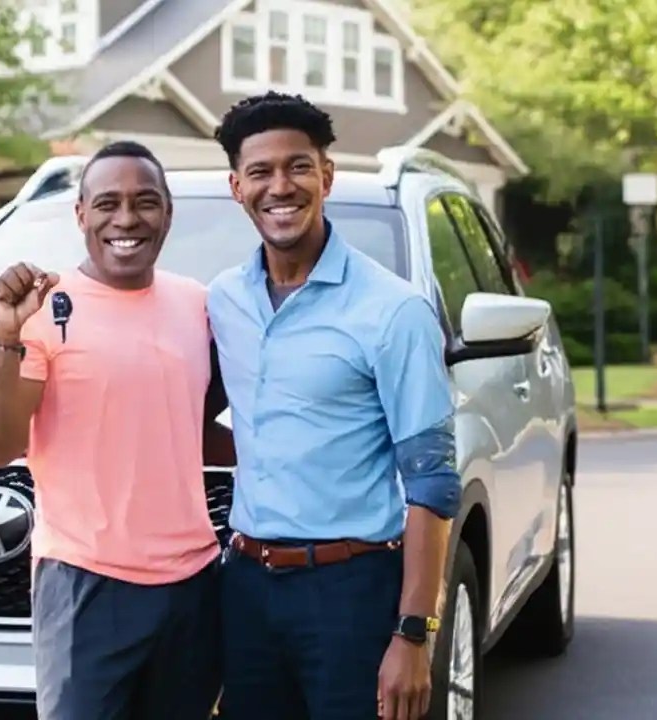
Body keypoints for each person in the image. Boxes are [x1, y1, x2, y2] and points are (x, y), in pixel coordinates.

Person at [206, 92, 462, 720]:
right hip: (245, 587)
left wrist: (413, 632)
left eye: (297, 166)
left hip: (352, 591)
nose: (280, 186)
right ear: (237, 187)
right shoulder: (223, 300)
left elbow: (431, 482)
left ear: (326, 175)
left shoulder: (392, 310)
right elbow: (189, 418)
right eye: (260, 172)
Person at [0, 140, 233, 720]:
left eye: (146, 202)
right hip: (85, 583)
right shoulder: (41, 309)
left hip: (192, 584)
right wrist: (4, 335)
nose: (127, 219)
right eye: (107, 203)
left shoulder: (199, 306)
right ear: (81, 214)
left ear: (168, 212)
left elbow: (189, 424)